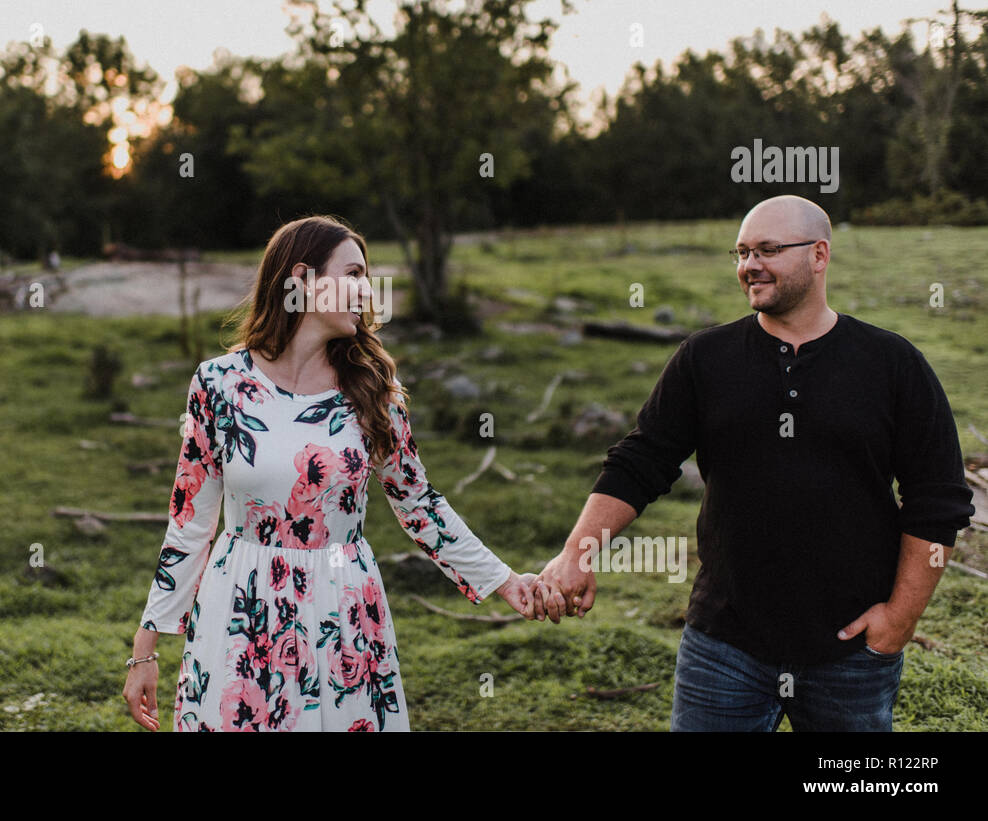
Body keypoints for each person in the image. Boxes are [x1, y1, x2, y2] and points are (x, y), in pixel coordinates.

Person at [535, 195, 974, 731]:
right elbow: (640, 461)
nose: (749, 266)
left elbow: (937, 499)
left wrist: (898, 622)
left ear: (818, 255)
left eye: (768, 250)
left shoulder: (892, 363)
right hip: (724, 643)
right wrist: (578, 552)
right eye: (741, 252)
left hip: (851, 648)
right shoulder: (705, 359)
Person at [123, 215, 542, 731]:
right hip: (241, 607)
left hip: (343, 608)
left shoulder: (372, 390)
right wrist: (146, 647)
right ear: (301, 279)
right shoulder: (219, 384)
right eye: (354, 274)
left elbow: (419, 503)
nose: (367, 291)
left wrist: (502, 580)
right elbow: (189, 521)